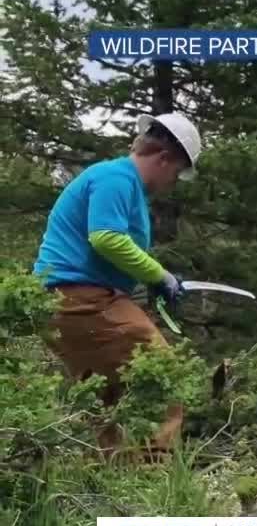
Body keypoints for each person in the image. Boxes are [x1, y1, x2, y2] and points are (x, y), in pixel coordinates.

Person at [31, 112, 202, 458]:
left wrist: (147, 280)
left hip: (62, 303)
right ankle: (155, 471)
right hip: (82, 301)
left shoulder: (119, 182)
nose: (173, 182)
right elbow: (106, 238)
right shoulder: (117, 178)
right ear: (163, 158)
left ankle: (111, 473)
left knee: (106, 395)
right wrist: (160, 276)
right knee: (165, 375)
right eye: (176, 172)